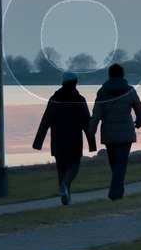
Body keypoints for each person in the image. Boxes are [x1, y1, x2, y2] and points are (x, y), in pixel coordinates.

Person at [33, 71, 95, 205]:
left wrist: (38, 142)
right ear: (75, 83)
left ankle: (65, 198)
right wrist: (92, 143)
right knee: (74, 166)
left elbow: (45, 121)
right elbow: (86, 122)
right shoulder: (79, 99)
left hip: (58, 139)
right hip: (74, 140)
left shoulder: (54, 99)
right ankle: (65, 186)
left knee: (61, 168)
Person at [90, 62, 141, 200]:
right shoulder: (130, 91)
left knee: (114, 163)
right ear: (122, 75)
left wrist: (91, 130)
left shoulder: (102, 92)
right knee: (120, 164)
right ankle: (117, 191)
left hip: (109, 133)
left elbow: (96, 114)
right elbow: (140, 109)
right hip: (126, 132)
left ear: (109, 75)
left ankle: (116, 192)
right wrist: (139, 121)